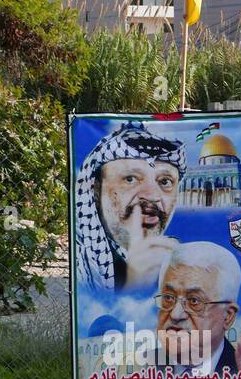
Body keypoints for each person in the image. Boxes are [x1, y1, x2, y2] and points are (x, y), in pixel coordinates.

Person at [74, 121, 185, 292]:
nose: (152, 196)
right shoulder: (84, 263)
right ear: (96, 189)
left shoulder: (177, 260)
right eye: (130, 179)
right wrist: (135, 281)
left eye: (165, 181)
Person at [152, 241, 241, 379]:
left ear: (228, 316)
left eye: (194, 301)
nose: (175, 314)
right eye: (168, 298)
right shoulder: (136, 367)